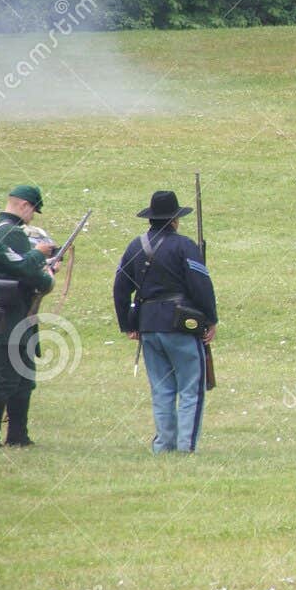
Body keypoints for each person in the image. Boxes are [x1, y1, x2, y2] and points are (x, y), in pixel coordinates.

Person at [111, 190, 218, 454]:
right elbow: (201, 285)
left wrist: (129, 324)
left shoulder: (135, 247)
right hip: (181, 324)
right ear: (174, 220)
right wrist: (211, 319)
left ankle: (163, 445)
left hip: (148, 326)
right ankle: (186, 447)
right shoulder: (184, 246)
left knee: (162, 390)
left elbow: (120, 288)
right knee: (191, 389)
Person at [0, 186, 56, 448]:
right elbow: (23, 269)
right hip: (8, 319)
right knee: (6, 380)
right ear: (23, 206)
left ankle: (18, 435)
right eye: (32, 210)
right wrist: (42, 260)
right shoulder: (8, 233)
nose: (33, 216)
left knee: (23, 380)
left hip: (18, 318)